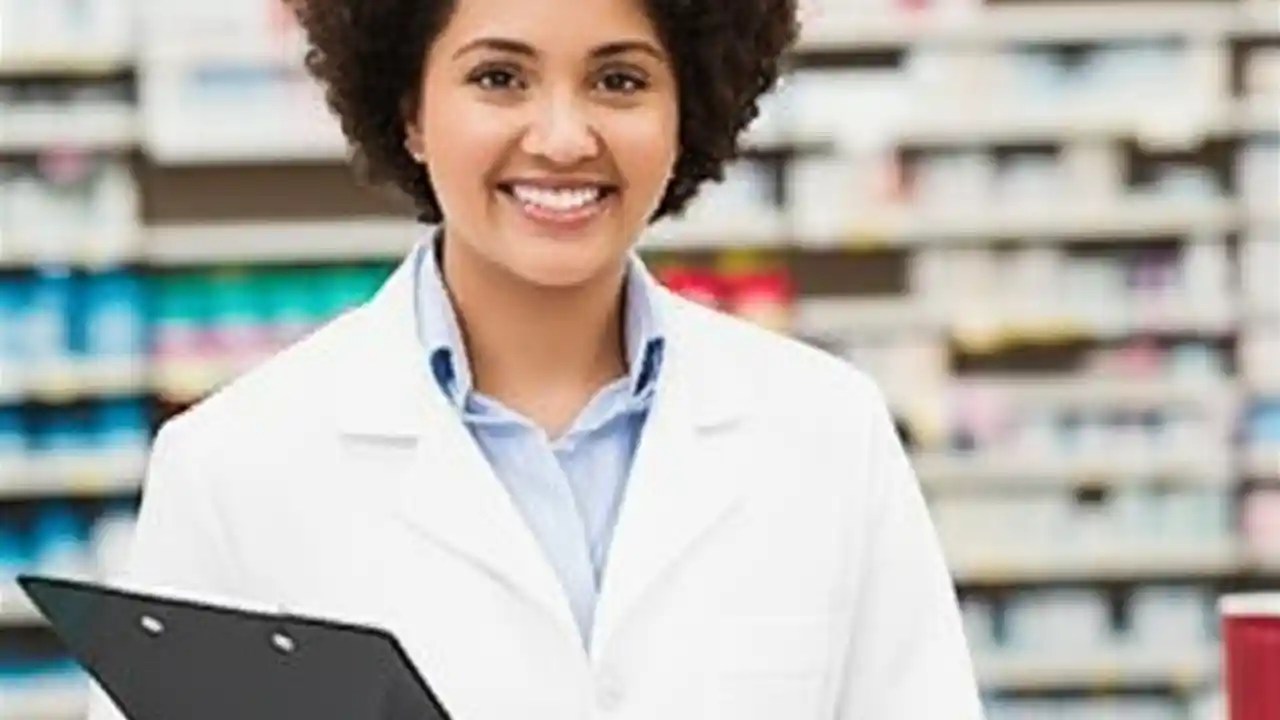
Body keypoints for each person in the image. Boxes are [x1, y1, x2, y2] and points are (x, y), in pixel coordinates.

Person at [90, 0, 984, 718]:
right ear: (410, 110)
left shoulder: (828, 432)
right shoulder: (233, 464)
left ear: (688, 112)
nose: (562, 137)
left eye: (619, 79)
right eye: (499, 77)